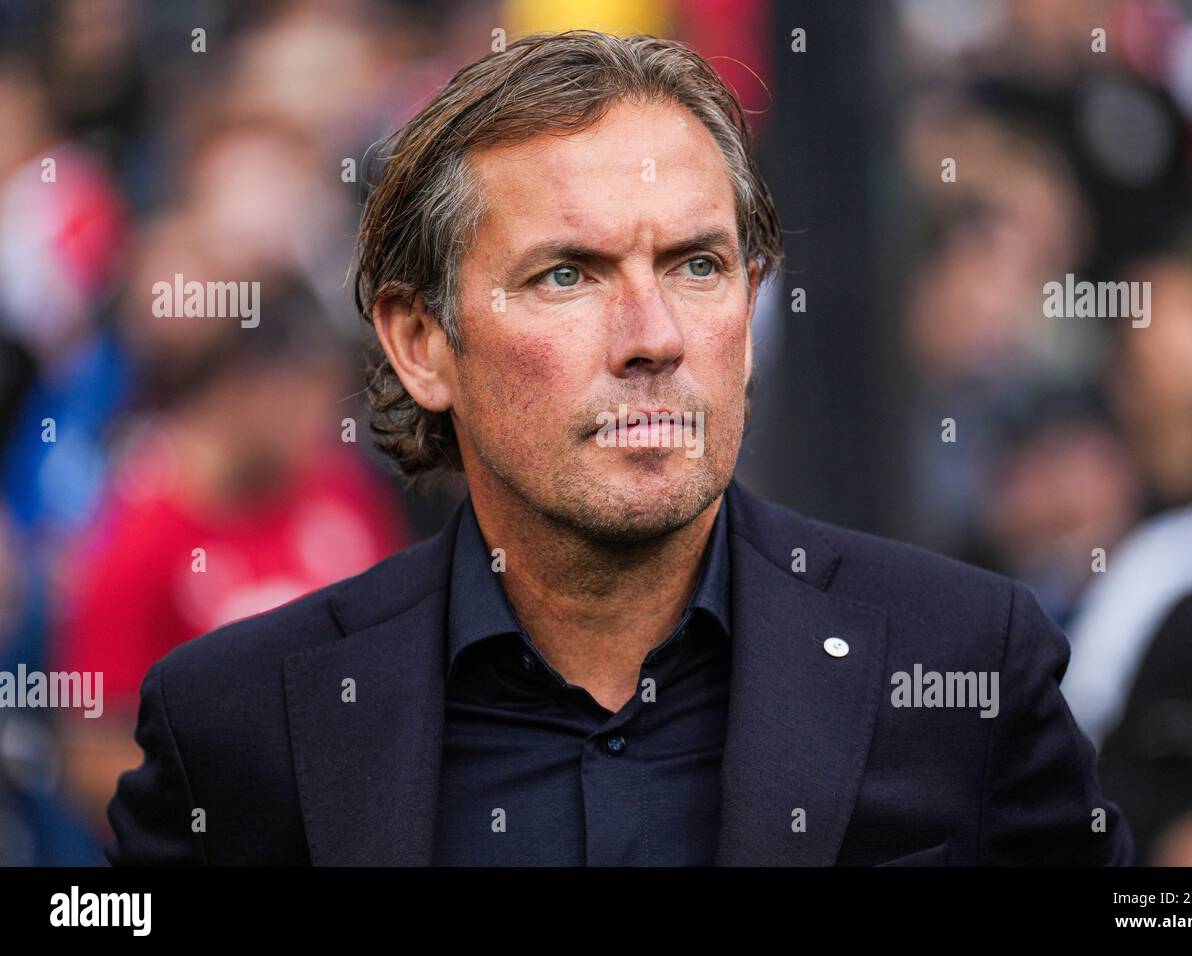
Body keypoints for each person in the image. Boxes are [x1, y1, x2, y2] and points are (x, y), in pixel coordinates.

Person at [105, 30, 1132, 866]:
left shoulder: (965, 664)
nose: (654, 336)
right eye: (567, 275)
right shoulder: (240, 725)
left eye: (696, 265)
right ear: (421, 343)